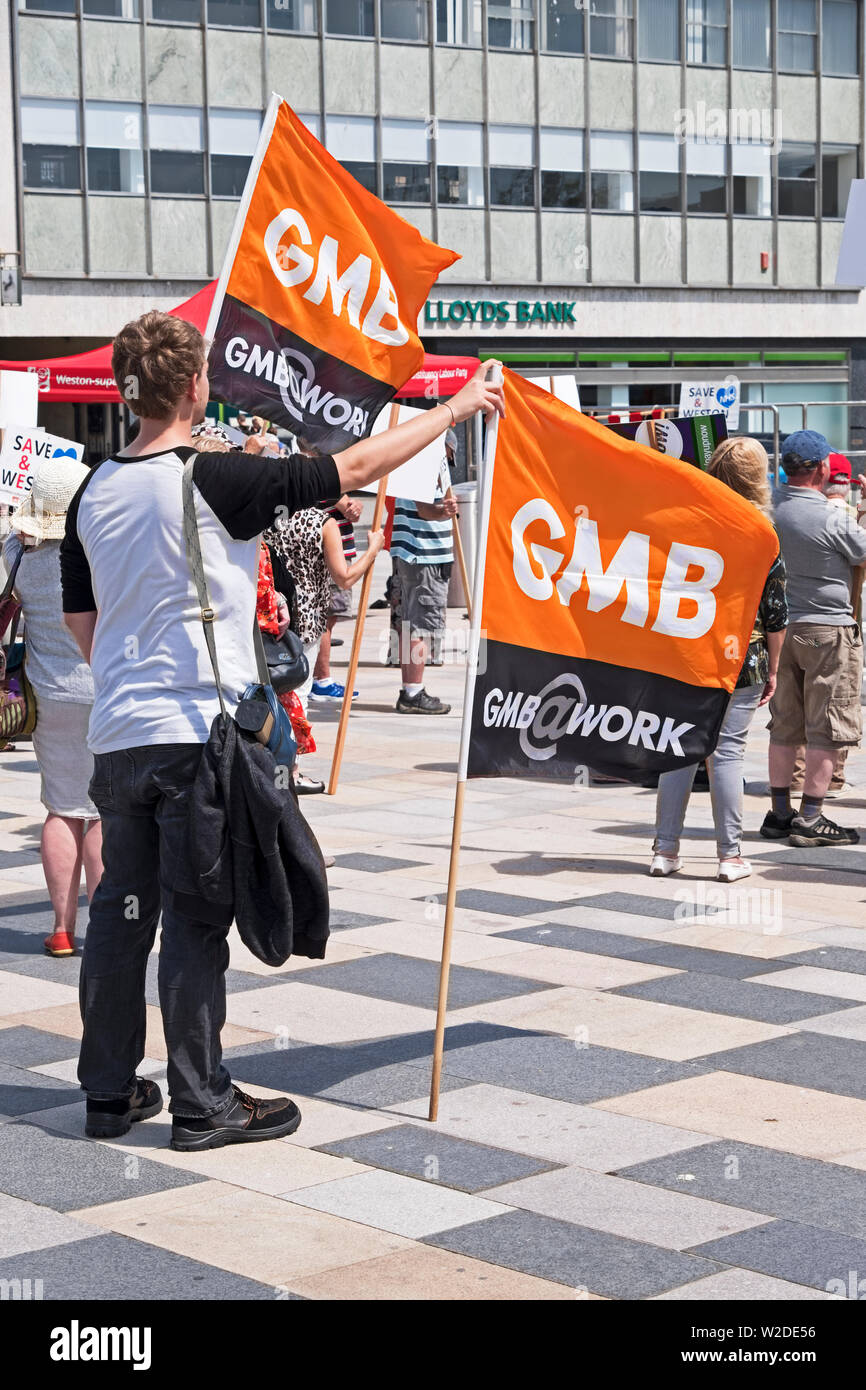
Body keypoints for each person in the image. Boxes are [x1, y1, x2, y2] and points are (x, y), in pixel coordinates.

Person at [60, 308, 503, 1148]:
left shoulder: (94, 491)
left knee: (121, 914)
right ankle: (202, 1103)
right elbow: (354, 466)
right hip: (198, 730)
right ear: (196, 387)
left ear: (127, 394)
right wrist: (454, 408)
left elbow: (84, 628)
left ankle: (108, 1095)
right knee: (194, 918)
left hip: (120, 733)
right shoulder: (215, 477)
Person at [651, 438, 788, 883]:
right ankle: (730, 857)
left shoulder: (686, 523)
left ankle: (665, 850)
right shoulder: (761, 533)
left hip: (686, 650)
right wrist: (773, 666)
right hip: (741, 655)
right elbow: (775, 612)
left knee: (678, 749)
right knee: (727, 753)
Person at [2, 455, 103, 957]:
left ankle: (61, 928)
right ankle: (108, 930)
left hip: (48, 695)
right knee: (105, 811)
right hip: (106, 688)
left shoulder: (17, 555)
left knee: (62, 809)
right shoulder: (101, 554)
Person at [761, 429, 866, 848]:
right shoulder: (831, 515)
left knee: (784, 724)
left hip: (781, 628)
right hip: (827, 628)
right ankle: (811, 817)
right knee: (827, 726)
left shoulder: (768, 508)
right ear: (822, 468)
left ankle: (780, 811)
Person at [265, 507, 384, 789]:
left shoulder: (268, 513)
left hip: (270, 614)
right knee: (298, 697)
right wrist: (373, 550)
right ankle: (289, 773)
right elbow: (343, 577)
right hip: (305, 620)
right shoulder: (322, 522)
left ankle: (270, 767)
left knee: (272, 695)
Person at [391, 473, 458, 715]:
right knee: (421, 625)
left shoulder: (414, 451)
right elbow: (424, 509)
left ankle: (411, 689)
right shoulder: (424, 454)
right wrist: (444, 511)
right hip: (425, 551)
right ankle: (413, 692)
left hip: (414, 550)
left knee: (412, 623)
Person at [310, 494, 363, 702]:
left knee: (326, 619)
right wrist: (345, 502)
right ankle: (322, 680)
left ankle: (319, 678)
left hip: (334, 551)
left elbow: (349, 509)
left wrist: (352, 504)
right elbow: (338, 500)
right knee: (325, 619)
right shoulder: (326, 476)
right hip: (332, 553)